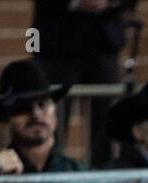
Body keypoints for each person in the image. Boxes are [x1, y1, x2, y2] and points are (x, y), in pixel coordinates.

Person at [32, 0, 137, 167]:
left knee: (107, 125)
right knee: (51, 118)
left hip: (104, 43)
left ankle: (107, 182)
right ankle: (49, 177)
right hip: (56, 44)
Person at [0, 58, 85, 173]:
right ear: (8, 115)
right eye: (24, 107)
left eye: (43, 104)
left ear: (54, 109)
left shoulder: (78, 174)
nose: (36, 114)